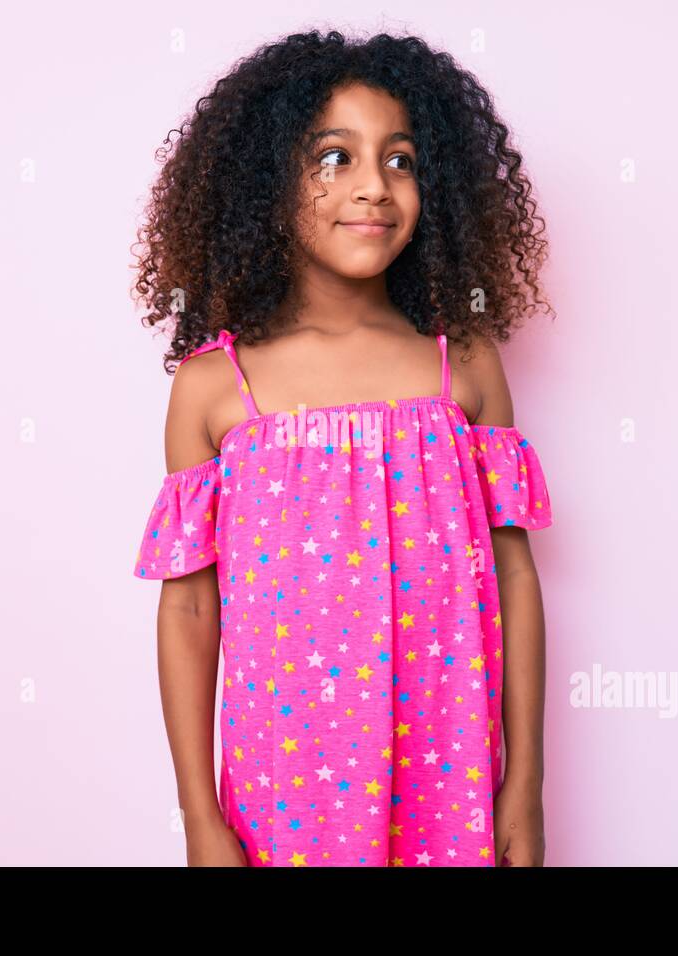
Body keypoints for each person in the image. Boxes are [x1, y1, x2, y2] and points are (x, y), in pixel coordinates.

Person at [131, 29, 556, 867]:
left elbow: (515, 577)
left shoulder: (460, 365)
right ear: (265, 183)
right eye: (335, 157)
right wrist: (199, 819)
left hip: (450, 782)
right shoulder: (218, 388)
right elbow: (187, 608)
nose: (374, 187)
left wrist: (524, 787)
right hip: (284, 794)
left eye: (399, 160)